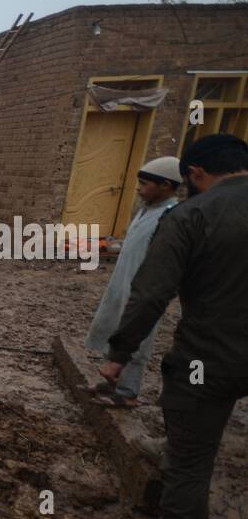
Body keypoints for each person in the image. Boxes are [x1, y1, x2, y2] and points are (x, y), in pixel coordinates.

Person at [102, 133, 248, 519]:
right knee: (187, 442)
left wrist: (118, 356)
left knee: (191, 464)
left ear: (196, 174)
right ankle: (171, 447)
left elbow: (150, 294)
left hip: (212, 355)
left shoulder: (192, 214)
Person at [84, 156, 182, 407]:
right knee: (116, 329)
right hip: (123, 283)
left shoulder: (171, 216)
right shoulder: (145, 211)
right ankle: (113, 382)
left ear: (166, 186)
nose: (139, 188)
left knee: (139, 339)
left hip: (145, 290)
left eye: (145, 184)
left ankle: (128, 392)